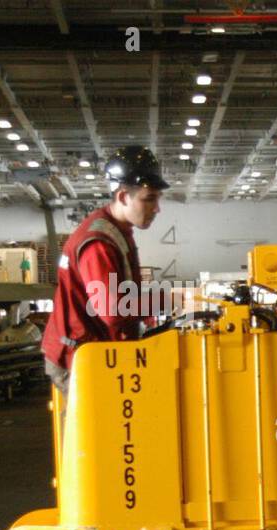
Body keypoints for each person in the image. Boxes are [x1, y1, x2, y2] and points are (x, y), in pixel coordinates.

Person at [41, 145, 166, 397]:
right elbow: (111, 309)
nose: (156, 208)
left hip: (94, 350)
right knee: (95, 434)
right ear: (122, 197)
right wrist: (166, 300)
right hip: (79, 358)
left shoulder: (117, 230)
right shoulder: (99, 242)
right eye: (149, 199)